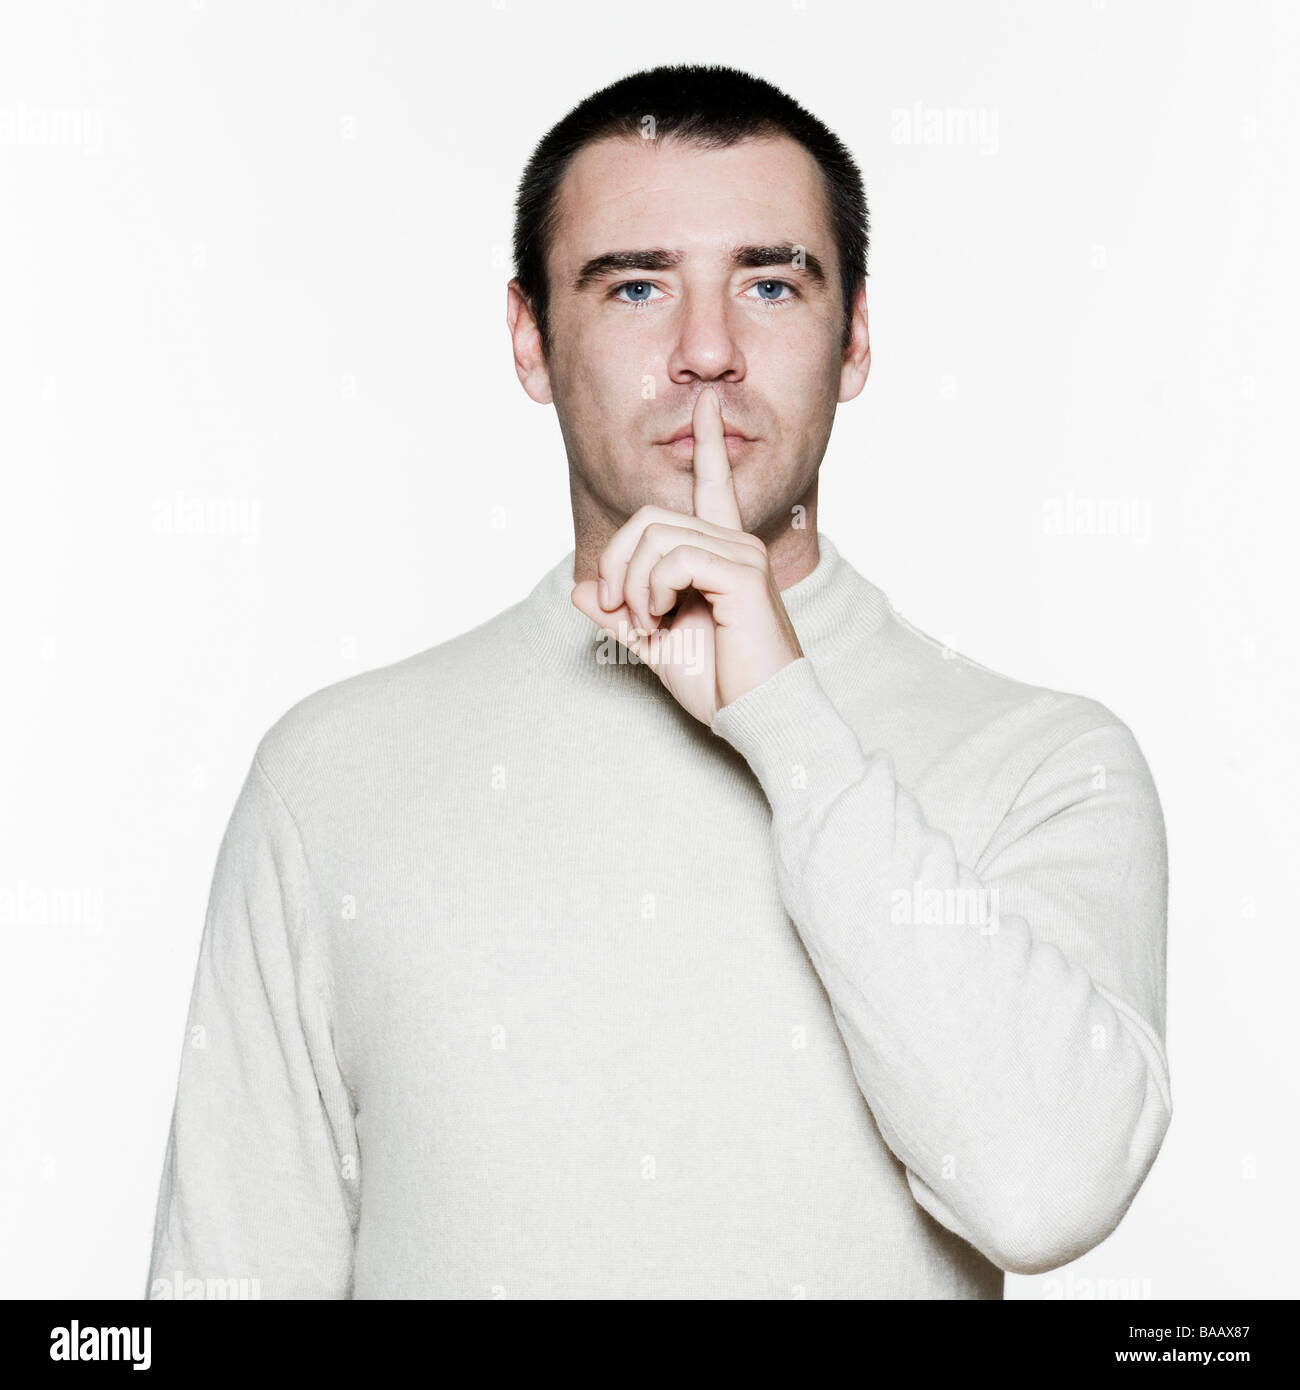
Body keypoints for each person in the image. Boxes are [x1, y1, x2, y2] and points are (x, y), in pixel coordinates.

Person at [146, 63, 1170, 1300]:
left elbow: (1044, 1188)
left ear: (852, 339)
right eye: (636, 286)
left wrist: (783, 713)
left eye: (769, 283)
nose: (705, 353)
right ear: (529, 338)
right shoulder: (332, 774)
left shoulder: (1042, 762)